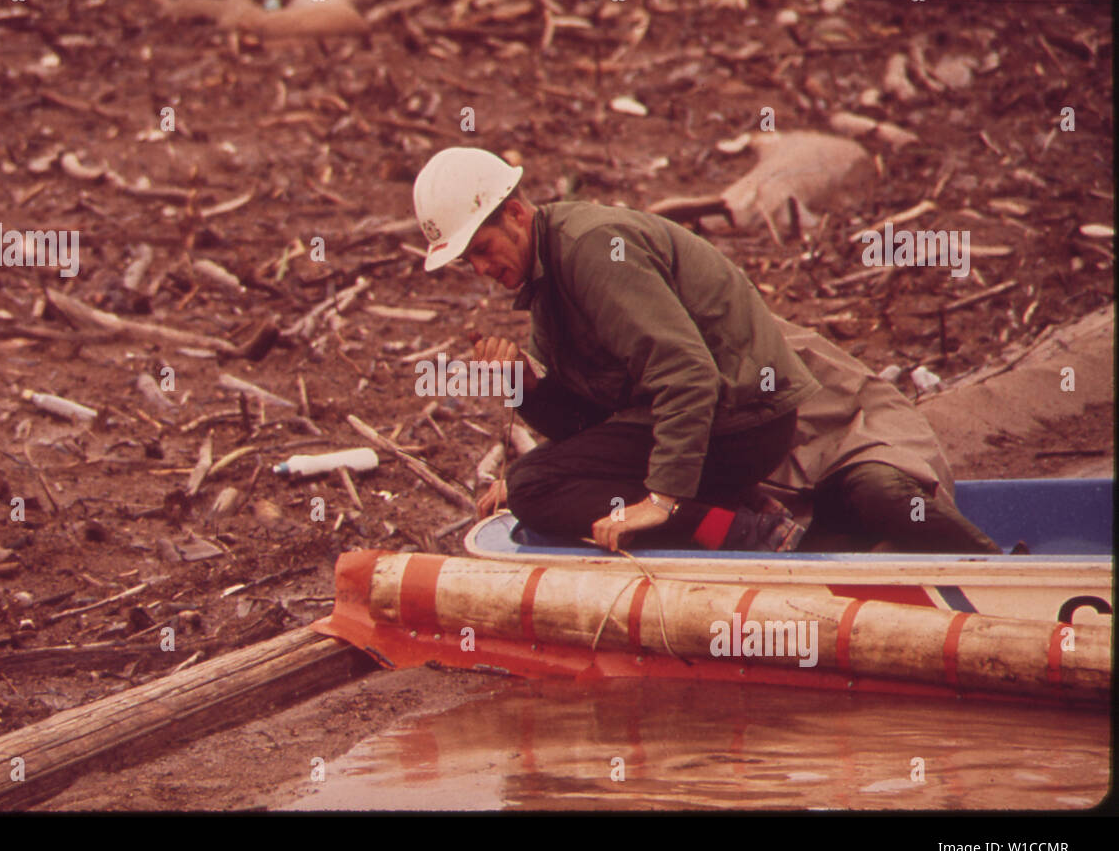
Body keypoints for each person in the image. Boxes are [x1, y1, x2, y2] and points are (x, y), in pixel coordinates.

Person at [413, 147, 1001, 555]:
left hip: (741, 422)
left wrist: (662, 501)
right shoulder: (548, 281)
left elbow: (686, 374)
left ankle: (739, 529)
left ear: (516, 214)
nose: (484, 269)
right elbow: (591, 421)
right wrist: (526, 387)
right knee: (537, 480)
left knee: (537, 483)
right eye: (471, 261)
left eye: (484, 249)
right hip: (712, 426)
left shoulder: (591, 249)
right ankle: (739, 519)